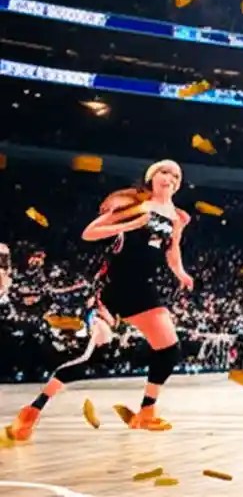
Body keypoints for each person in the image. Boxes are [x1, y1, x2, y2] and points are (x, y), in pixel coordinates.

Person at [8, 160, 194, 440]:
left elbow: (172, 249)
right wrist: (133, 223)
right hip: (116, 284)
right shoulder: (136, 207)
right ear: (152, 178)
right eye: (164, 172)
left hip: (141, 287)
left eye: (176, 175)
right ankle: (33, 409)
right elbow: (89, 232)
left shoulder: (178, 217)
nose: (170, 177)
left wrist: (181, 272)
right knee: (90, 358)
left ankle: (146, 412)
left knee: (169, 349)